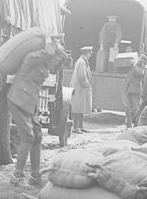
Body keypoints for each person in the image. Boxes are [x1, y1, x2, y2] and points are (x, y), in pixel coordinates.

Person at [8, 39, 66, 186]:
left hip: (29, 103)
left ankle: (35, 176)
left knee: (38, 136)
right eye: (57, 59)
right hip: (18, 100)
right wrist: (52, 43)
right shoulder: (32, 59)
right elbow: (47, 53)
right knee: (28, 137)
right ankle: (17, 176)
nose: (57, 63)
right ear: (51, 55)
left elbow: (52, 67)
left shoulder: (45, 66)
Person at [71, 45, 93, 133]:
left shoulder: (83, 61)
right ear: (86, 53)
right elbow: (82, 77)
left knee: (81, 108)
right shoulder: (82, 62)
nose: (91, 54)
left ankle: (80, 126)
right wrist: (87, 85)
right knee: (77, 108)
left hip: (80, 88)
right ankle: (75, 127)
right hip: (79, 88)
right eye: (90, 53)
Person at [122, 53, 146, 128]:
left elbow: (139, 73)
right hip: (128, 89)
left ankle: (133, 123)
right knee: (127, 108)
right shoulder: (134, 66)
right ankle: (128, 124)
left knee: (135, 109)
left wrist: (139, 65)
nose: (139, 61)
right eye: (139, 59)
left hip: (136, 90)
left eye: (141, 60)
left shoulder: (142, 68)